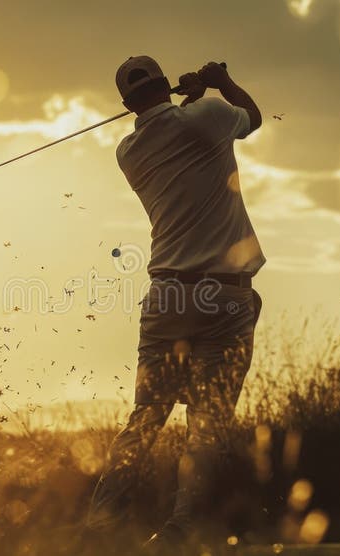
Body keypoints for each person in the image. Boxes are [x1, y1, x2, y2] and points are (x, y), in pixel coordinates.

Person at [84, 55, 265, 552]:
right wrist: (220, 81)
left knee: (145, 417)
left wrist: (195, 96)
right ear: (166, 84)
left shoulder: (128, 151)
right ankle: (177, 534)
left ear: (127, 105)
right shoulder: (209, 116)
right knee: (207, 423)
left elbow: (179, 129)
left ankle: (100, 526)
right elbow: (252, 118)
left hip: (167, 295)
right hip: (224, 295)